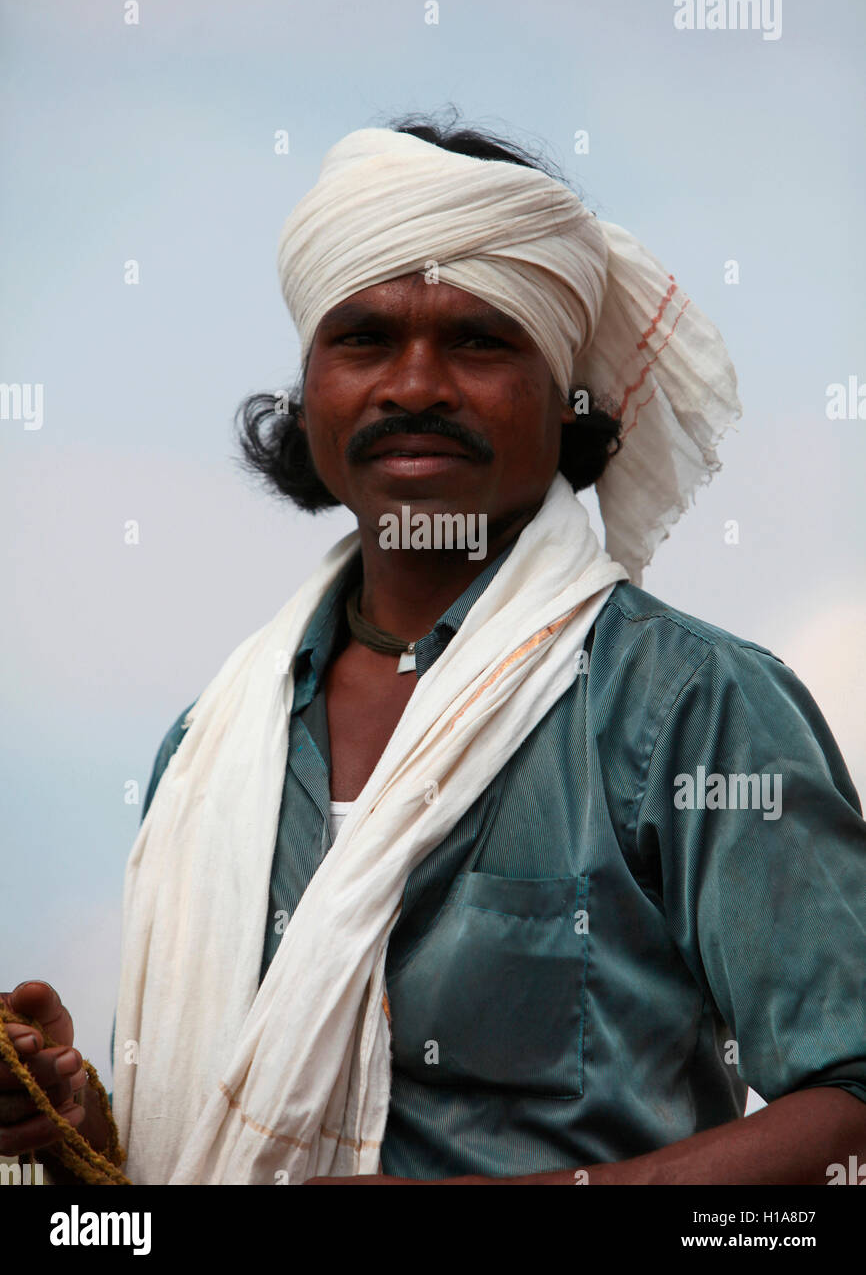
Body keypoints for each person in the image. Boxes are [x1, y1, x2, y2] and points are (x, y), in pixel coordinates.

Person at [3, 113, 865, 1186]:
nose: (414, 384)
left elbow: (853, 1106)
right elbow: (237, 1118)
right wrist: (75, 1111)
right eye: (363, 338)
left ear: (564, 399)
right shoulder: (213, 743)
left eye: (478, 341)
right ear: (309, 388)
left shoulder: (688, 706)